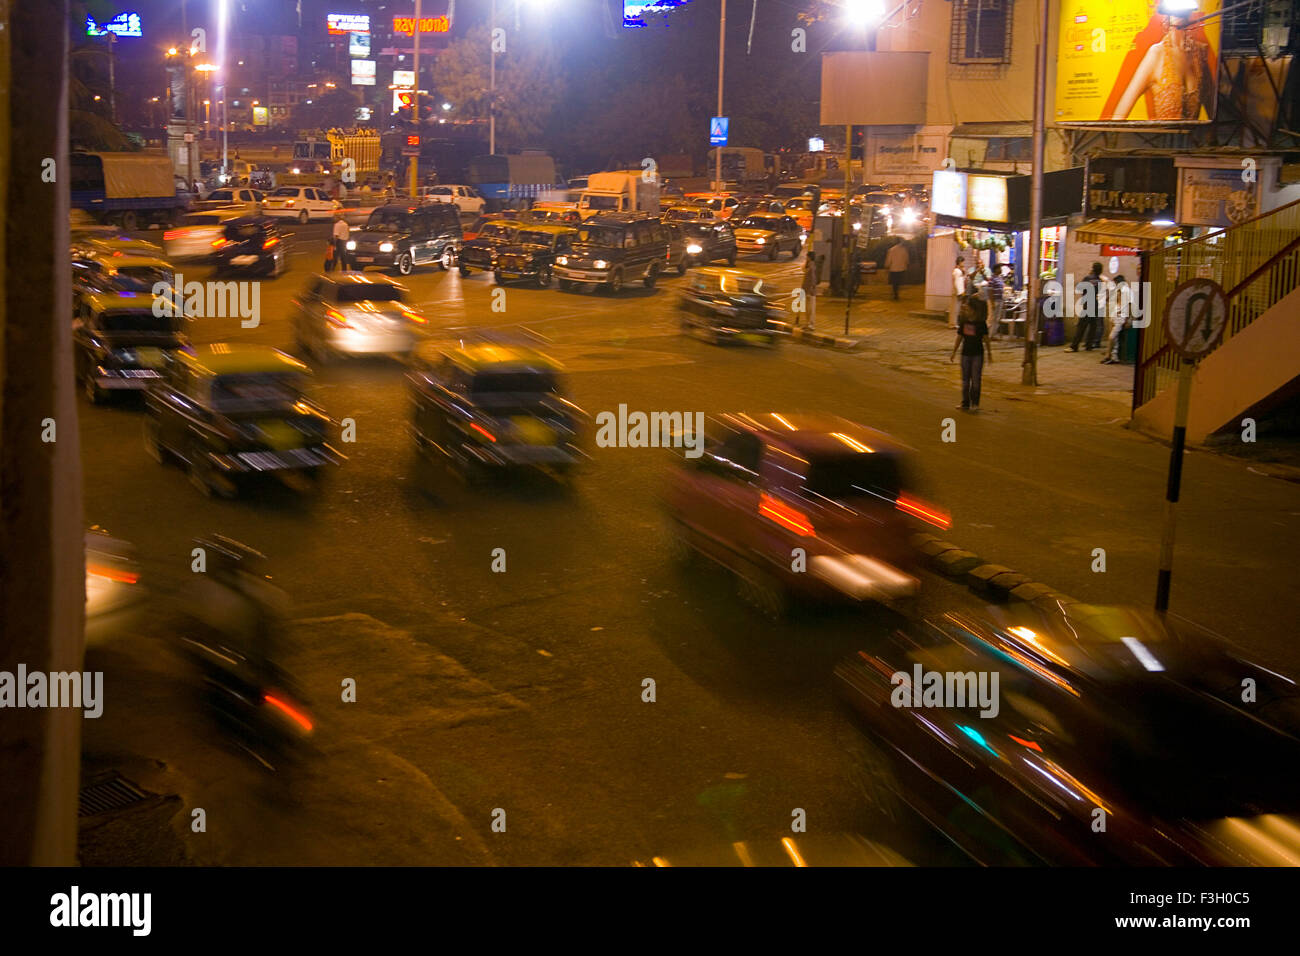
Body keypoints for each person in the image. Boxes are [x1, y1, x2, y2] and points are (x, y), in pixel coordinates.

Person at [950, 296, 993, 411]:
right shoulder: (964, 322)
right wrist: (954, 352)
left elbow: (986, 339)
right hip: (965, 354)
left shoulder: (981, 323)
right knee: (965, 380)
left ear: (973, 309)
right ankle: (965, 403)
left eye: (967, 307)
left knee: (975, 380)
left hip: (977, 354)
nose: (965, 309)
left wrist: (989, 353)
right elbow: (959, 337)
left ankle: (975, 403)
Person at [1068, 261, 1106, 352]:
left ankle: (1074, 346)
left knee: (1081, 326)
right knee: (1093, 326)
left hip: (1087, 303)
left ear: (1093, 269)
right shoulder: (1100, 281)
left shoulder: (1087, 278)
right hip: (1095, 304)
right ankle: (1089, 345)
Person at [1102, 274, 1131, 364]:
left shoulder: (1126, 291)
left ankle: (1108, 355)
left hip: (1121, 316)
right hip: (1115, 315)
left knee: (1112, 337)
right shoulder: (1119, 290)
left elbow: (1130, 305)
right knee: (1115, 338)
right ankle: (1114, 357)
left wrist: (1127, 319)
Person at [798, 250, 819, 329]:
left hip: (810, 291)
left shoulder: (812, 266)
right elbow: (803, 271)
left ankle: (811, 324)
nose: (806, 257)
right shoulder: (809, 265)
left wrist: (810, 290)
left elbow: (813, 279)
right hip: (806, 289)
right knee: (807, 308)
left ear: (810, 257)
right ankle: (807, 323)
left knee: (811, 308)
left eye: (807, 256)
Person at [950, 256, 967, 329]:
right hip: (957, 292)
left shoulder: (959, 270)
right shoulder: (956, 271)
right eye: (962, 262)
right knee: (955, 309)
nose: (963, 263)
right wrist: (959, 292)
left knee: (957, 309)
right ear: (960, 262)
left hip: (959, 291)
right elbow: (956, 283)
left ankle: (954, 323)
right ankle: (953, 324)